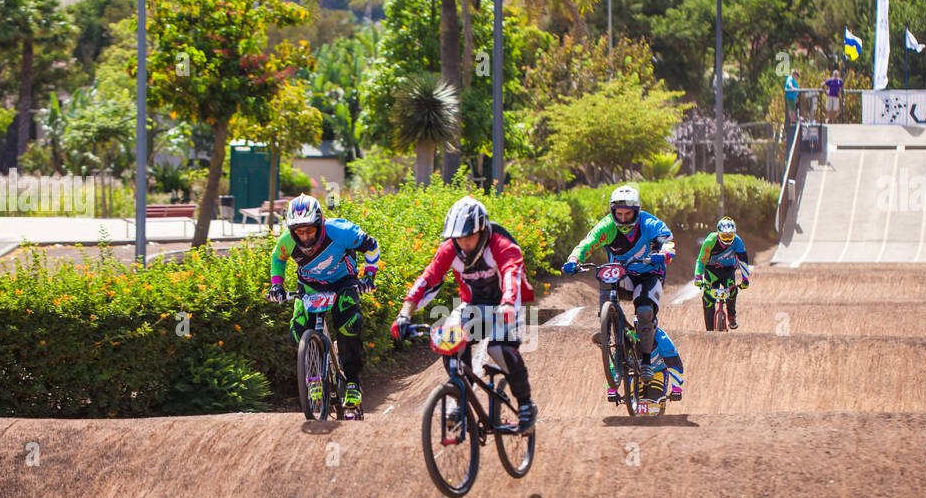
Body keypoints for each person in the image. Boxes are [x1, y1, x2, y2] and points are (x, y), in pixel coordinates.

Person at [392, 196, 538, 434]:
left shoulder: (501, 246)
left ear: (483, 232)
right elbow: (427, 280)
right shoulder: (450, 249)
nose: (464, 243)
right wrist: (404, 315)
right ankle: (460, 400)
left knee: (499, 349)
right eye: (458, 237)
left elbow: (512, 276)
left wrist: (508, 305)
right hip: (473, 307)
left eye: (469, 237)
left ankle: (525, 404)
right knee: (449, 342)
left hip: (507, 305)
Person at [561, 184, 683, 413]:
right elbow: (587, 243)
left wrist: (664, 254)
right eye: (619, 214)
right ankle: (608, 332)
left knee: (644, 313)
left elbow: (668, 241)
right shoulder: (607, 226)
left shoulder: (649, 223)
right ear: (613, 211)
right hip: (621, 274)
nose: (623, 218)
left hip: (649, 274)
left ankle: (646, 362)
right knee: (605, 278)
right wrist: (574, 258)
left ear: (636, 212)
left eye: (628, 214)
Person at [269, 194, 381, 413]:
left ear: (320, 224)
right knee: (297, 333)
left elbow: (372, 246)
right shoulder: (287, 241)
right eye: (298, 232)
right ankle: (313, 380)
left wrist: (368, 277)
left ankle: (352, 383)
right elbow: (277, 259)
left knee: (350, 326)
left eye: (310, 230)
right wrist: (277, 286)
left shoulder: (341, 231)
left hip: (343, 282)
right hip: (310, 286)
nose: (305, 237)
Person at [694, 216, 749, 330]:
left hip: (728, 270)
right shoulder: (710, 240)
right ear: (719, 233)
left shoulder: (738, 241)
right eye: (725, 236)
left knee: (732, 291)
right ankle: (709, 330)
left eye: (730, 236)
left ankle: (732, 316)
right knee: (708, 299)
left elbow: (743, 261)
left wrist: (745, 279)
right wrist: (698, 276)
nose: (728, 240)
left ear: (734, 234)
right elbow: (701, 259)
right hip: (711, 270)